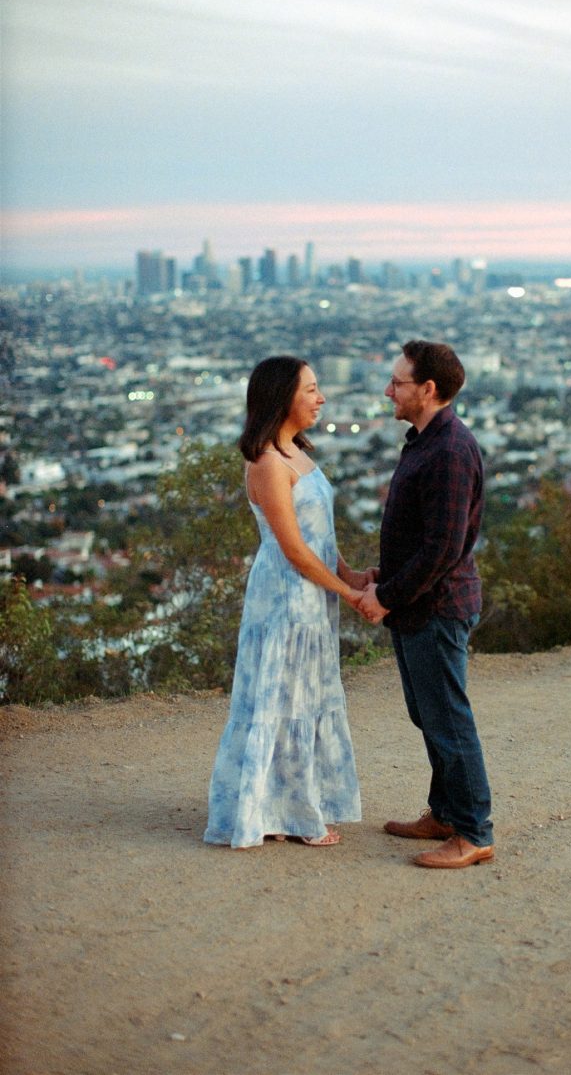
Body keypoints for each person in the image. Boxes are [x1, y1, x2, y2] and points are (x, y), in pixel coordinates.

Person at [204, 356, 369, 849]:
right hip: (284, 597)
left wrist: (349, 574)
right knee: (285, 698)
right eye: (311, 390)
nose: (321, 398)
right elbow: (293, 549)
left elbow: (319, 537)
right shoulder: (267, 463)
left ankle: (285, 809)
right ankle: (288, 815)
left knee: (303, 697)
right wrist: (352, 594)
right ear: (283, 398)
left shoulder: (296, 452)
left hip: (312, 594)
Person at [359, 340, 494, 869]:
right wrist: (383, 577)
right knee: (428, 713)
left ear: (429, 389)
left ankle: (474, 832)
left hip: (435, 607)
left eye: (398, 382)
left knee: (448, 719)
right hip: (417, 603)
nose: (388, 390)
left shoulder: (450, 451)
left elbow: (443, 547)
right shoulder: (424, 441)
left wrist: (385, 597)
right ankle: (444, 812)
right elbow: (424, 537)